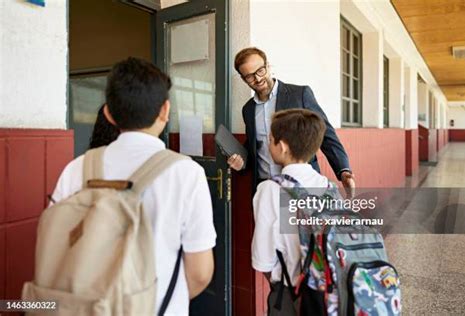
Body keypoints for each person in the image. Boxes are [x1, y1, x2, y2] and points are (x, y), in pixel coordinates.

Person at [50, 57, 216, 314]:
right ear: (165, 110)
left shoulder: (76, 169)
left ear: (108, 113)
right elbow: (200, 273)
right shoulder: (186, 173)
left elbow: (55, 250)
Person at [228, 47, 355, 192]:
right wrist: (241, 162)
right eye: (249, 76)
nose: (257, 78)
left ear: (268, 66)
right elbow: (254, 147)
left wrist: (343, 170)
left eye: (260, 70)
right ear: (243, 79)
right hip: (265, 187)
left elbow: (325, 133)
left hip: (302, 186)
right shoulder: (248, 109)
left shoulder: (300, 94)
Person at [251, 108, 328, 315]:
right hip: (329, 294)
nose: (268, 145)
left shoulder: (270, 190)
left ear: (282, 146)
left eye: (271, 140)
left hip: (291, 295)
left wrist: (280, 282)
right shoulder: (327, 186)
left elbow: (264, 259)